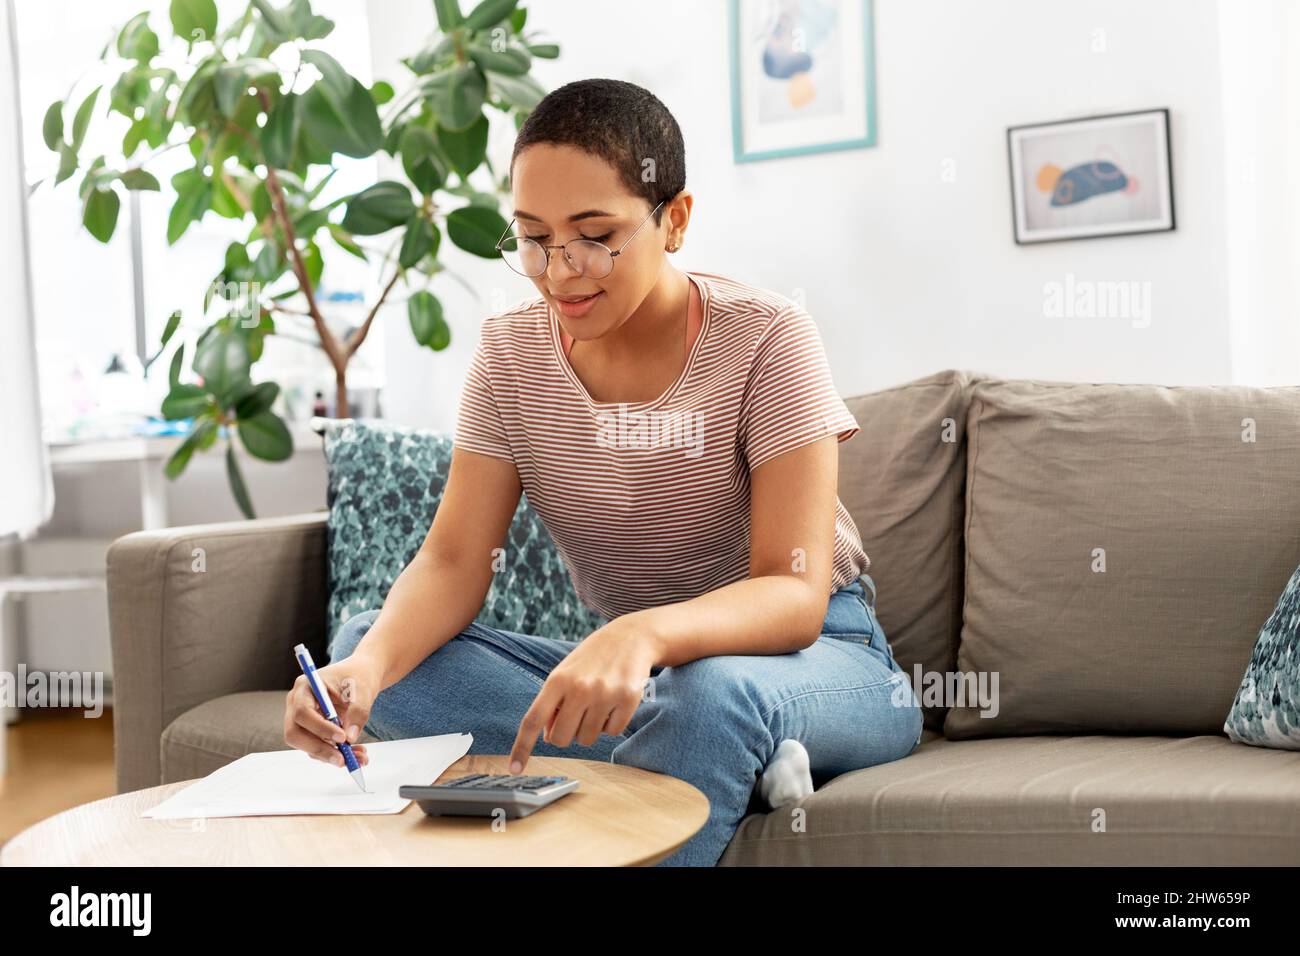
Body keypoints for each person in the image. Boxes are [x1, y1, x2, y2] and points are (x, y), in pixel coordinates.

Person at [283, 78, 923, 866]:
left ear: (675, 220)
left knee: (710, 695)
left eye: (594, 236)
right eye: (532, 238)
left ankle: (712, 740)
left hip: (820, 658)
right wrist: (365, 672)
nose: (560, 272)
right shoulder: (511, 355)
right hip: (654, 679)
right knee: (372, 647)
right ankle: (714, 759)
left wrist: (642, 631)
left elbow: (793, 596)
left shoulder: (768, 338)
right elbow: (452, 560)